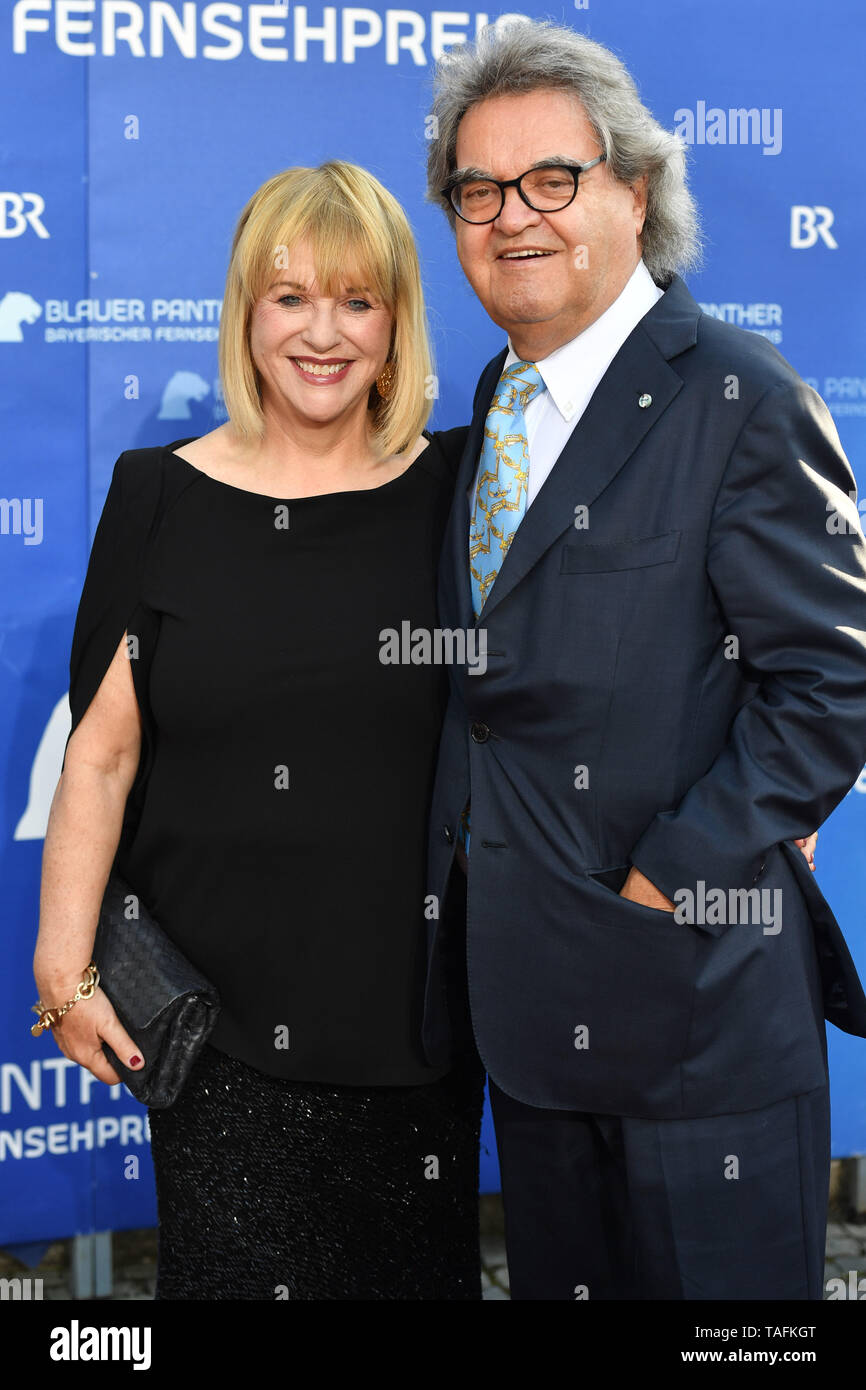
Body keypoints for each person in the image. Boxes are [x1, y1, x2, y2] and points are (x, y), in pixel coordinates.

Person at [421, 21, 866, 1300]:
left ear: (634, 188)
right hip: (528, 1025)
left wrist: (667, 878)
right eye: (477, 189)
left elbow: (835, 679)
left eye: (550, 179)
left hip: (696, 1026)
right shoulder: (487, 416)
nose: (514, 217)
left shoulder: (741, 398)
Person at [32, 160, 484, 1300]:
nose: (321, 333)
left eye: (356, 300)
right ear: (245, 313)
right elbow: (101, 749)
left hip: (420, 1031)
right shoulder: (159, 495)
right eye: (289, 297)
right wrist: (64, 964)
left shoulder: (461, 488)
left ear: (396, 322)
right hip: (218, 1039)